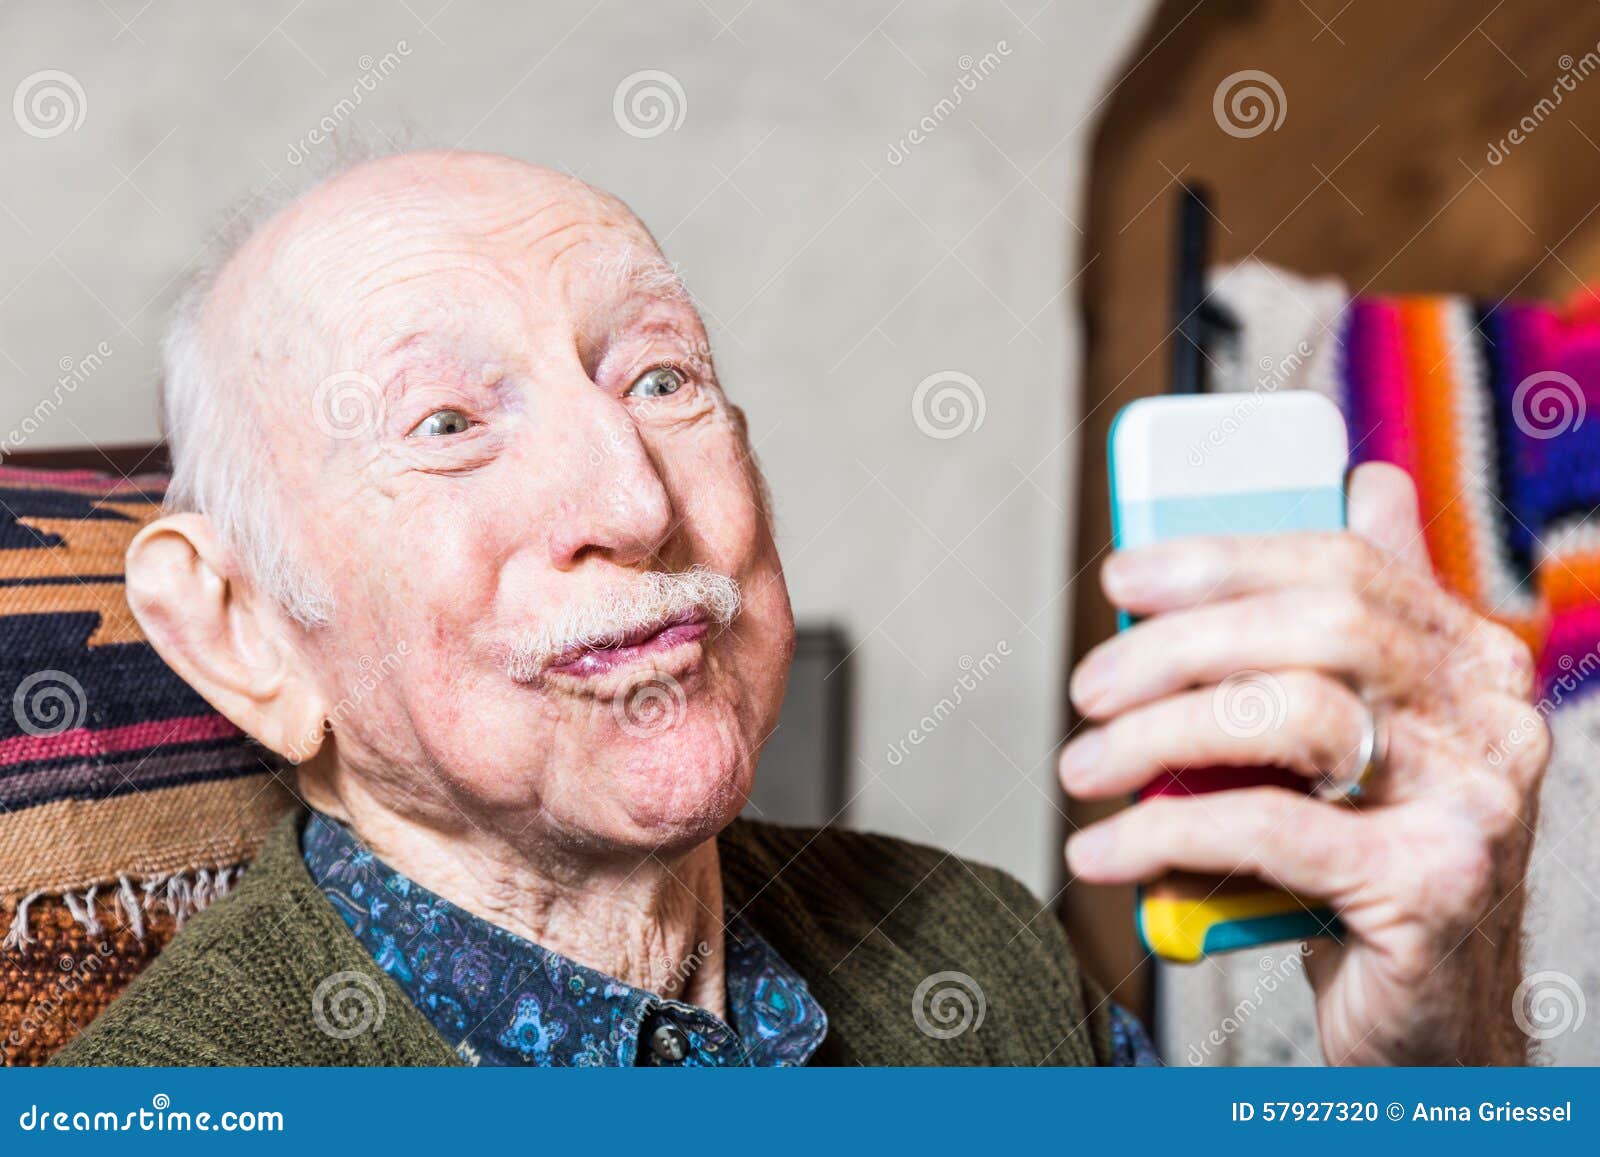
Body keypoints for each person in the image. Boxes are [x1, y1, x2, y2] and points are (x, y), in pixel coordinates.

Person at [55, 151, 1545, 1067]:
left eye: (661, 378)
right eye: (447, 422)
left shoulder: (976, 946)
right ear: (240, 629)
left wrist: (1431, 1050)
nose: (635, 502)